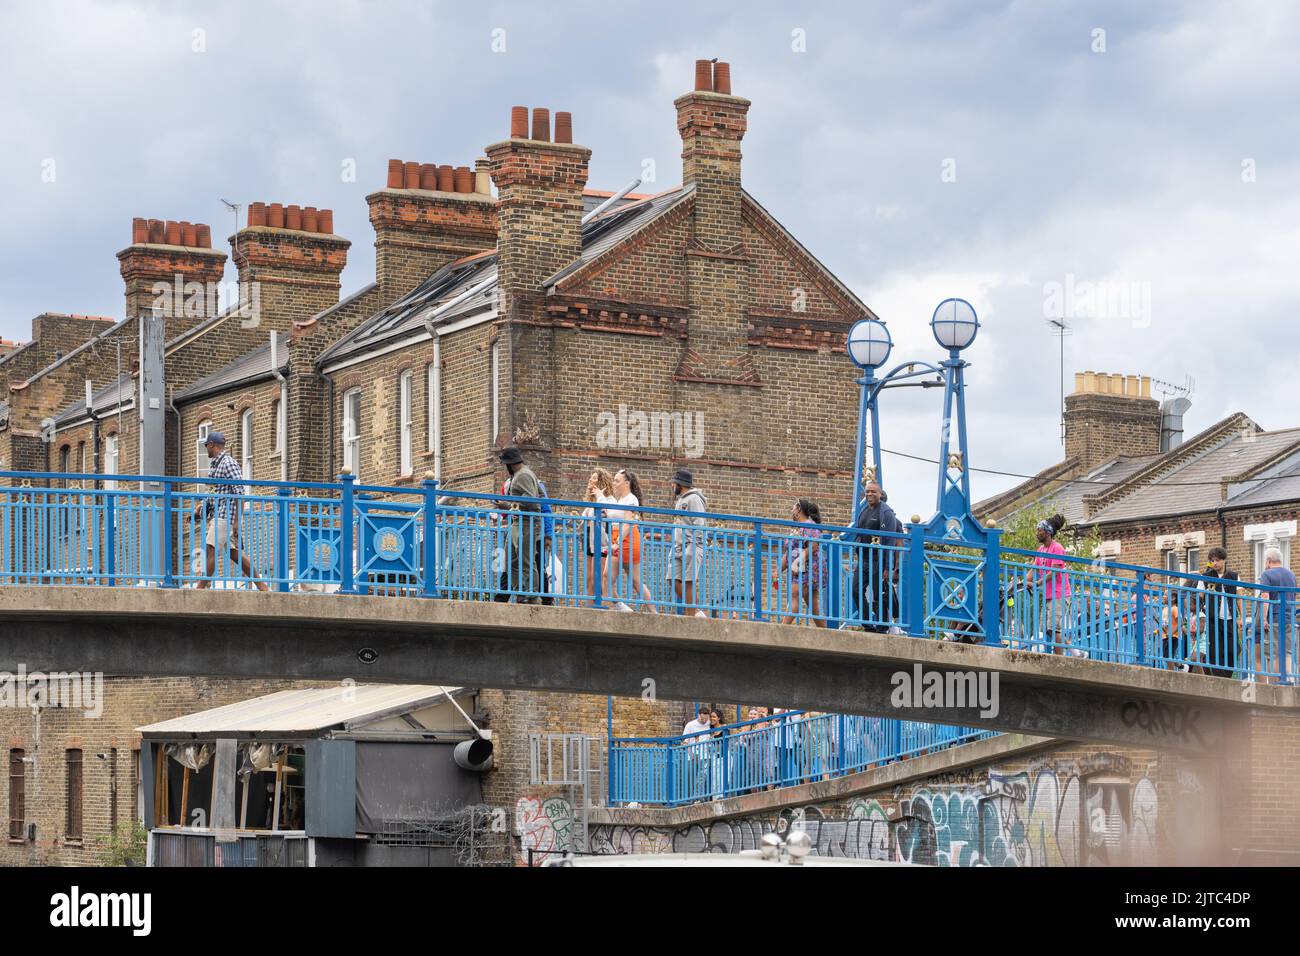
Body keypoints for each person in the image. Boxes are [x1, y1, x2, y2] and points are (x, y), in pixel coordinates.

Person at [191, 432, 267, 591]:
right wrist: (200, 508)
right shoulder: (215, 465)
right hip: (219, 514)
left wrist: (237, 523)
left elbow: (240, 493)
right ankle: (263, 587)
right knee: (235, 554)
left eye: (206, 445)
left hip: (225, 516)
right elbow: (214, 492)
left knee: (211, 549)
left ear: (212, 444)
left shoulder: (228, 463)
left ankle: (199, 589)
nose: (206, 449)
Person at [846, 482, 898, 632]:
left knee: (879, 594)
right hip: (864, 560)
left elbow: (890, 541)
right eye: (867, 492)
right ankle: (868, 623)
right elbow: (858, 534)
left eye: (873, 492)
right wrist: (857, 551)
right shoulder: (864, 511)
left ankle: (882, 627)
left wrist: (888, 568)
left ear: (880, 494)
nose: (869, 494)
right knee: (856, 590)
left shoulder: (886, 513)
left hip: (879, 561)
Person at [493, 447, 543, 604]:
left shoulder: (523, 475)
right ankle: (520, 592)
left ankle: (532, 595)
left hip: (526, 522)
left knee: (526, 559)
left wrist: (507, 505)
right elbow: (540, 495)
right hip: (518, 522)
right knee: (512, 560)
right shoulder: (525, 474)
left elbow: (533, 500)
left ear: (509, 463)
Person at [606, 468, 655, 613]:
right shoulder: (619, 499)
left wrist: (617, 542)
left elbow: (627, 523)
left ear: (626, 483)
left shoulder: (631, 499)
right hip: (616, 539)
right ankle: (619, 607)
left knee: (635, 581)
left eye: (617, 480)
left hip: (628, 540)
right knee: (607, 577)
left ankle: (654, 613)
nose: (614, 483)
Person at [774, 498, 826, 627]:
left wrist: (798, 561)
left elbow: (813, 546)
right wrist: (777, 570)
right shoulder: (797, 528)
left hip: (808, 569)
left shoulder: (809, 525)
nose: (791, 511)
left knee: (794, 598)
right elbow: (788, 553)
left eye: (793, 508)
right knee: (814, 606)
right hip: (800, 569)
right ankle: (826, 635)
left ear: (798, 509)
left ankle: (780, 630)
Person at [1030, 514, 1073, 654]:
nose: (1037, 533)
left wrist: (1037, 583)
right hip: (1049, 594)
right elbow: (1033, 568)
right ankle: (1075, 652)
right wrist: (1024, 581)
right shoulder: (1041, 550)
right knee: (1047, 629)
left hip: (1060, 593)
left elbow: (1054, 571)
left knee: (1053, 629)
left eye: (1039, 530)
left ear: (1048, 532)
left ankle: (1059, 659)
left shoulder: (1057, 548)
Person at [668, 469, 708, 617]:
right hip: (678, 545)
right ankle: (696, 611)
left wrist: (694, 545)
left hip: (692, 545)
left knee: (688, 581)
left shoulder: (694, 499)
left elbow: (699, 523)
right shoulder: (680, 499)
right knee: (672, 578)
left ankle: (691, 615)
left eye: (674, 482)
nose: (672, 485)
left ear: (680, 483)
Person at [1255, 546, 1295, 682]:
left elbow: (1265, 597)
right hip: (1290, 619)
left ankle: (1275, 686)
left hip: (1275, 618)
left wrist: (1264, 619)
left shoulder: (1267, 574)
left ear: (1268, 561)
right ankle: (1287, 680)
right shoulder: (1291, 574)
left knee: (1273, 654)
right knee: (1287, 652)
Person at [1200, 547, 1240, 677]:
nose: (1214, 563)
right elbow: (1199, 595)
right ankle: (1219, 676)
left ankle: (1227, 675)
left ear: (1224, 560)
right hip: (1213, 619)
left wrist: (1241, 617)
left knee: (1233, 649)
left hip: (1230, 619)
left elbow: (1239, 597)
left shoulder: (1234, 576)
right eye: (1212, 561)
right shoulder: (1205, 577)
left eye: (1217, 560)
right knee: (1215, 650)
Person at [581, 468, 616, 606]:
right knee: (589, 579)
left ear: (602, 482)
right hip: (589, 538)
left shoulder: (609, 499)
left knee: (600, 579)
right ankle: (589, 609)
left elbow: (610, 513)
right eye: (591, 477)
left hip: (602, 539)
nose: (590, 479)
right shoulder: (590, 501)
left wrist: (599, 495)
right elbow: (583, 519)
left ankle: (606, 608)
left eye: (594, 478)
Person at [682, 707, 713, 802]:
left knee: (701, 778)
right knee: (690, 778)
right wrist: (691, 755)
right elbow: (684, 742)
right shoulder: (690, 725)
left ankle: (697, 798)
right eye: (702, 718)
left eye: (706, 719)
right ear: (698, 715)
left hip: (705, 756)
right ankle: (690, 799)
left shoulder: (710, 724)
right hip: (691, 756)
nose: (704, 721)